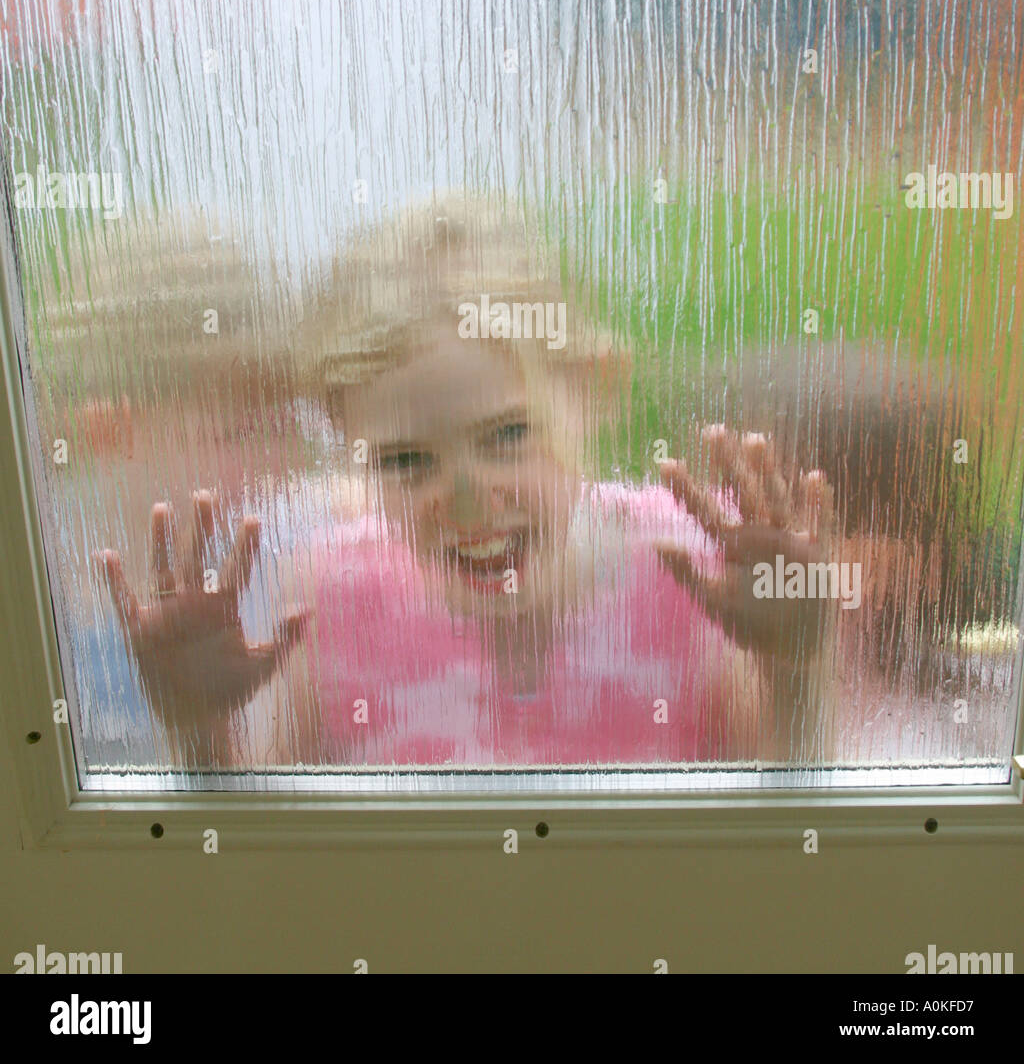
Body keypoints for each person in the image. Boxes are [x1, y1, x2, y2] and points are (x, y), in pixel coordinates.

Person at [94, 193, 849, 771]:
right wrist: (199, 732)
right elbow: (261, 870)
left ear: (595, 387)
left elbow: (795, 821)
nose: (463, 498)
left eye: (507, 436)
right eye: (404, 460)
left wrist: (794, 666)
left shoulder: (689, 569)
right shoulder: (333, 596)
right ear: (343, 435)